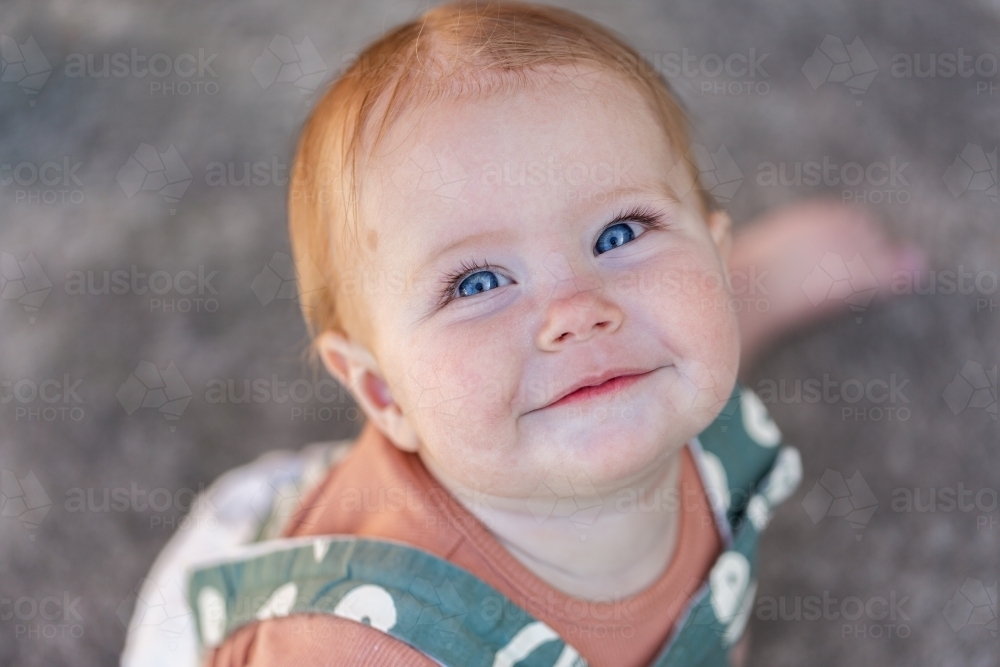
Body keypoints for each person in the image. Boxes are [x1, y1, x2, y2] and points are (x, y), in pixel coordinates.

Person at [122, 3, 921, 666]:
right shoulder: (361, 648)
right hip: (300, 586)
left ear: (708, 240)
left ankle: (749, 287)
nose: (575, 307)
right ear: (379, 390)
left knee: (672, 334)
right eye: (477, 282)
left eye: (619, 231)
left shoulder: (655, 394)